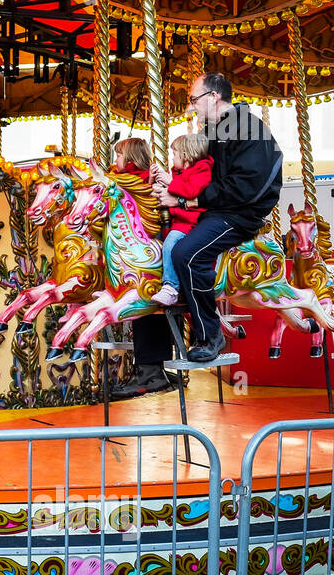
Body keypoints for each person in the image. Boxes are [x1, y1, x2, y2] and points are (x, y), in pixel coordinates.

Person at [113, 72, 282, 397]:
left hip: (241, 213)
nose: (191, 107)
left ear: (214, 97)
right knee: (163, 250)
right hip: (219, 208)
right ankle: (162, 347)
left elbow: (244, 186)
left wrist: (189, 199)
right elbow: (200, 174)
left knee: (187, 252)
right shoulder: (217, 131)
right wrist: (174, 182)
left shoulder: (248, 129)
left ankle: (211, 335)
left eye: (194, 100)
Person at [149, 132, 214, 307]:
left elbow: (191, 191)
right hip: (178, 220)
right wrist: (156, 183)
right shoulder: (180, 172)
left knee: (170, 242)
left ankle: (171, 287)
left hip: (191, 221)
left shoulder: (202, 169)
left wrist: (170, 181)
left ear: (186, 155)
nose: (172, 158)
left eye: (174, 155)